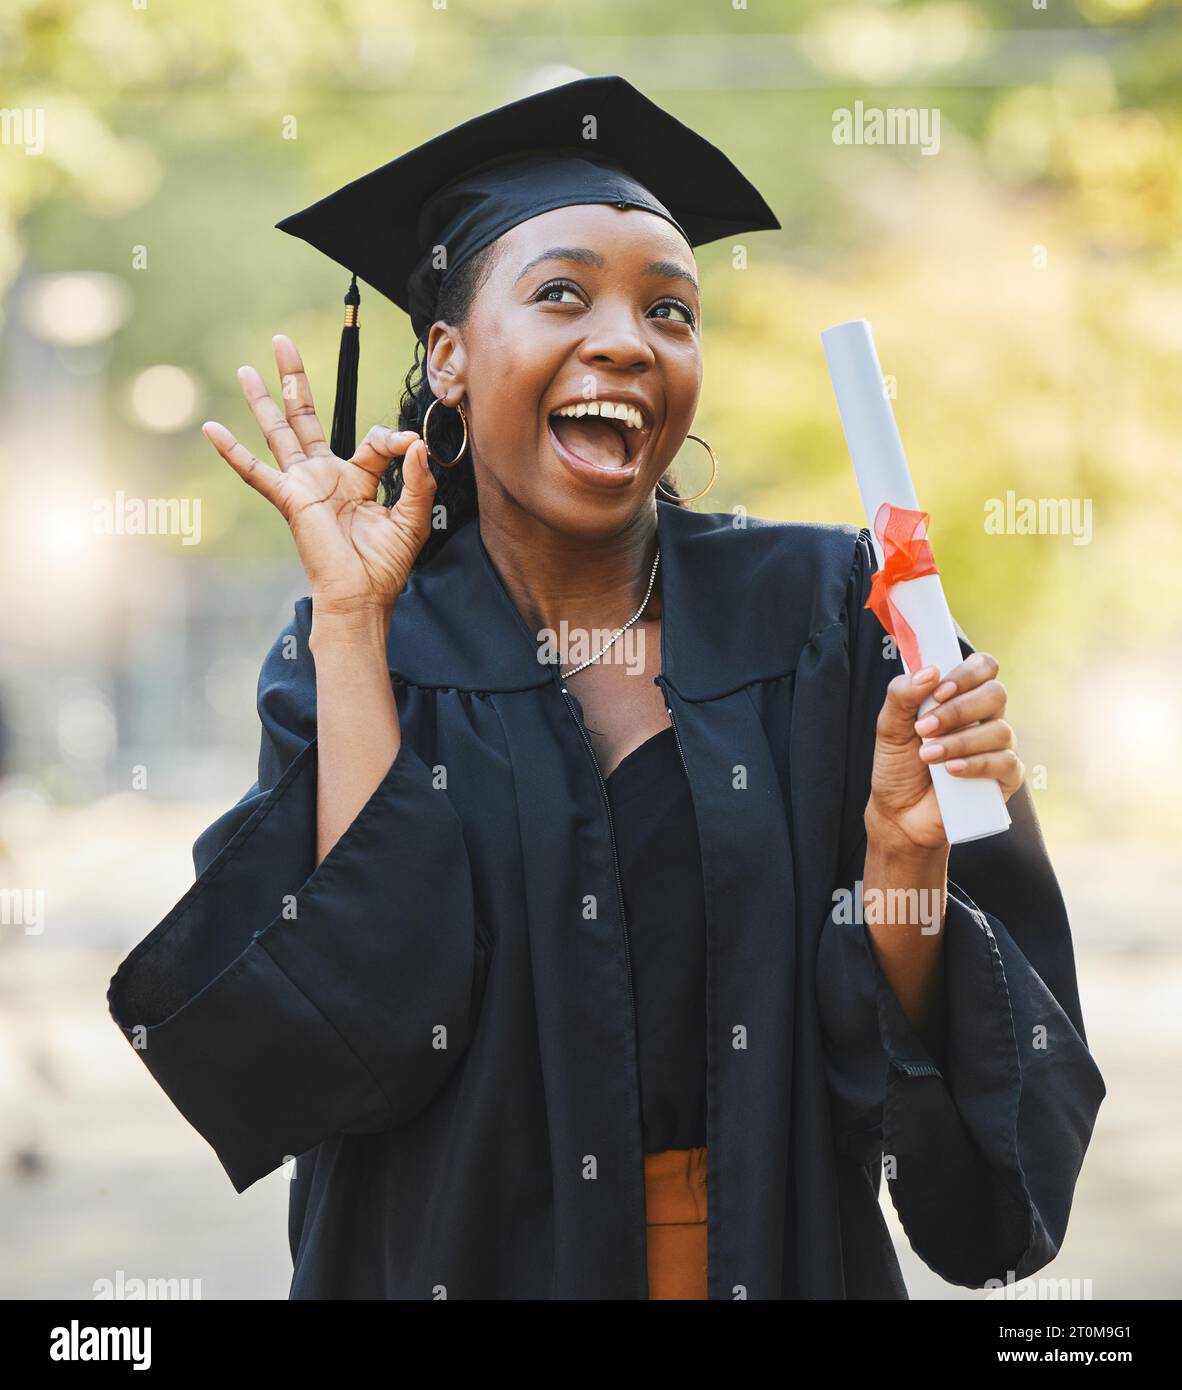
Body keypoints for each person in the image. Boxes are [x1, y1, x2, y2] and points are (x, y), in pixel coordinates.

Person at [107, 74, 1105, 1300]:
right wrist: (357, 622)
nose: (629, 340)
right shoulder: (364, 639)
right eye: (563, 293)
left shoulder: (821, 613)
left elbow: (896, 1073)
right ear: (451, 358)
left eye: (671, 310)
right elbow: (358, 1030)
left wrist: (907, 860)